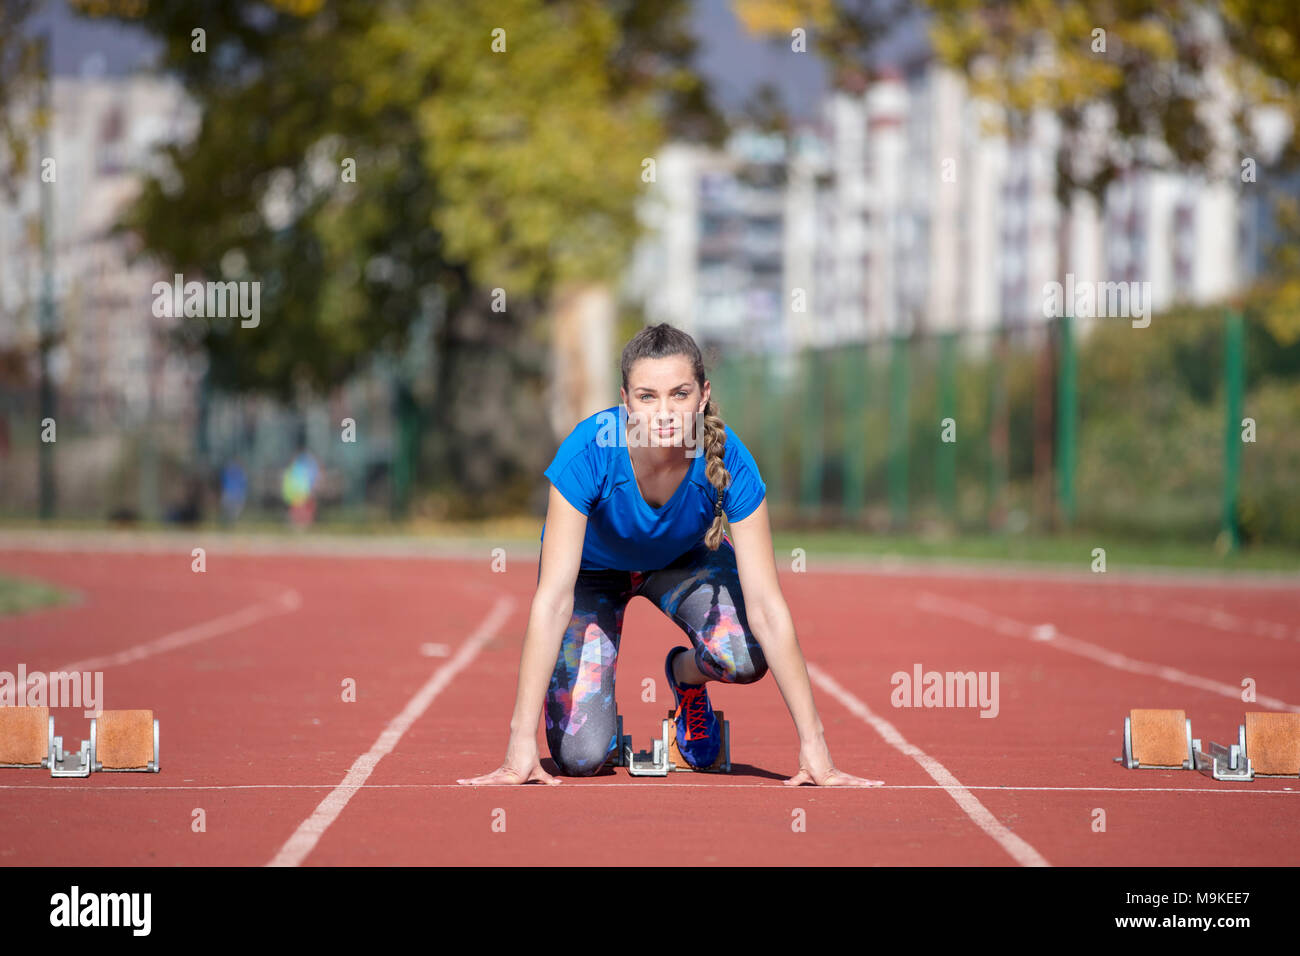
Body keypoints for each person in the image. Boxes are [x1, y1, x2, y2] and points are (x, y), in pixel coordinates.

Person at [459, 323, 881, 787]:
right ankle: (599, 725)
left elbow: (767, 607)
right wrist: (520, 741)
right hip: (593, 577)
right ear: (625, 400)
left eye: (679, 394)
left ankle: (685, 676)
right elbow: (553, 599)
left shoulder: (729, 460)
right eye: (647, 396)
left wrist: (814, 744)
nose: (664, 413)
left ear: (703, 396)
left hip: (681, 562)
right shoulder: (588, 451)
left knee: (744, 654)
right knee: (580, 757)